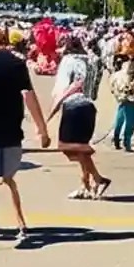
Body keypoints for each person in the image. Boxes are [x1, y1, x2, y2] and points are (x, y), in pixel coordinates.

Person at [0, 27, 51, 238]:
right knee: (9, 180)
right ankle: (21, 224)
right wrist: (41, 129)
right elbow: (28, 95)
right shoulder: (16, 64)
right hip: (11, 132)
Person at [48, 36, 111, 200]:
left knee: (68, 147)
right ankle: (85, 184)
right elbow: (93, 89)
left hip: (73, 105)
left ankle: (97, 178)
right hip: (89, 107)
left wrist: (52, 111)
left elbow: (63, 88)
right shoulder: (92, 61)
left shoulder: (68, 61)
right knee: (80, 148)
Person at [110, 58, 134, 151]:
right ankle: (127, 142)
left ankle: (116, 139)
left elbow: (112, 88)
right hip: (132, 99)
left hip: (121, 98)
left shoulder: (116, 75)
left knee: (120, 118)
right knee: (130, 121)